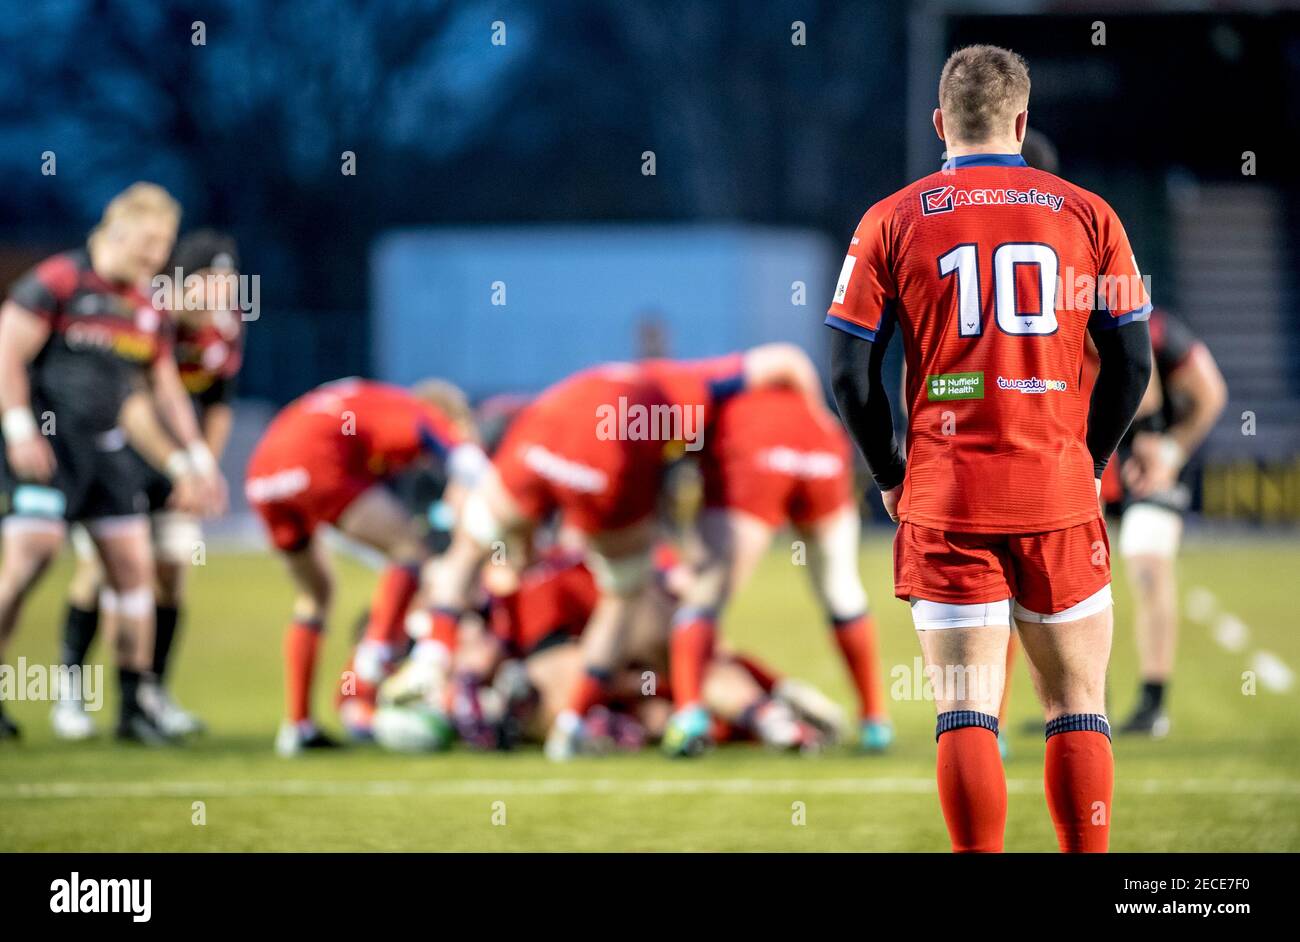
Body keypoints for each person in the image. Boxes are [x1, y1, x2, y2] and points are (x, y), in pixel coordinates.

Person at [827, 46, 1151, 852]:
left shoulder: (892, 217)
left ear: (940, 124)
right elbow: (1135, 362)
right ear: (1022, 120)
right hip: (1058, 491)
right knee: (1077, 701)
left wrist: (888, 475)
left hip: (946, 495)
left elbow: (847, 372)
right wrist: (1092, 458)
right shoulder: (1088, 214)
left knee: (966, 707)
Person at [0, 183, 224, 743]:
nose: (157, 256)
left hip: (107, 451)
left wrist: (196, 459)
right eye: (150, 243)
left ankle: (131, 709)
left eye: (165, 245)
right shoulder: (59, 281)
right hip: (47, 452)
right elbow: (7, 352)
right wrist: (20, 427)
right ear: (118, 230)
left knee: (134, 573)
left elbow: (165, 385)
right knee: (29, 562)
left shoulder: (147, 303)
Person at [52, 230, 246, 739]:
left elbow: (219, 404)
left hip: (179, 464)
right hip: (121, 456)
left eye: (229, 281)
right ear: (181, 281)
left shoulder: (225, 328)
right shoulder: (144, 315)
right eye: (212, 281)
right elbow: (132, 405)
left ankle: (150, 694)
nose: (224, 292)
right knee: (104, 571)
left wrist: (205, 471)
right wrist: (182, 464)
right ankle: (70, 693)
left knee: (173, 572)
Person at [244, 377, 485, 755]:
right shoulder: (415, 412)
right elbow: (464, 459)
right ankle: (376, 654)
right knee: (408, 549)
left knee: (315, 594)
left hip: (263, 474)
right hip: (312, 461)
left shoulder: (366, 406)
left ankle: (298, 726)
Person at [661, 386, 891, 756]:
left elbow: (676, 470)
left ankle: (689, 718)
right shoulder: (780, 392)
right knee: (841, 590)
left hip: (757, 452)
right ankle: (875, 721)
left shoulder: (699, 404)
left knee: (705, 591)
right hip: (823, 444)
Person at [1107, 308, 1226, 736]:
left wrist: (1170, 455)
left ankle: (1153, 704)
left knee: (1147, 561)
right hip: (1100, 460)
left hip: (1154, 463)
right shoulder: (1060, 318)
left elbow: (1211, 392)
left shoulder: (1156, 330)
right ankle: (1082, 704)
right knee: (1075, 580)